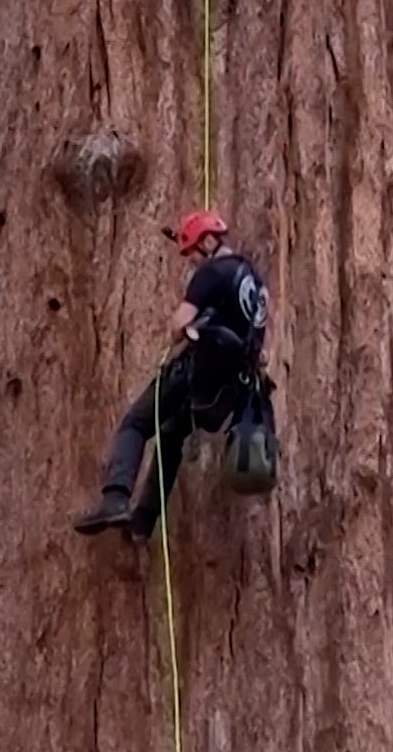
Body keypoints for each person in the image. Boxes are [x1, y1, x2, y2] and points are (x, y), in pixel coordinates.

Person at [72, 209, 274, 539]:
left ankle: (115, 496)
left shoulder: (212, 274)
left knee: (136, 422)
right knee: (170, 432)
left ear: (208, 242)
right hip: (229, 391)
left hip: (197, 373)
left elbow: (180, 324)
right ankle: (142, 523)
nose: (192, 261)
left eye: (192, 252)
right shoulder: (255, 282)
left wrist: (188, 322)